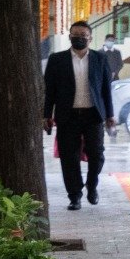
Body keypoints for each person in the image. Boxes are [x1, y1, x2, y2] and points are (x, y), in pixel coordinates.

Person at [42, 21, 114, 210]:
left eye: (83, 34)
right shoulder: (57, 60)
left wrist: (110, 115)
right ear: (70, 36)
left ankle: (92, 185)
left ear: (90, 38)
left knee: (97, 154)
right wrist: (46, 114)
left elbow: (107, 89)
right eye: (75, 34)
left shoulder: (100, 59)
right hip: (68, 115)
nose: (79, 37)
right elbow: (49, 91)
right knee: (69, 157)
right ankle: (75, 196)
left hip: (93, 114)